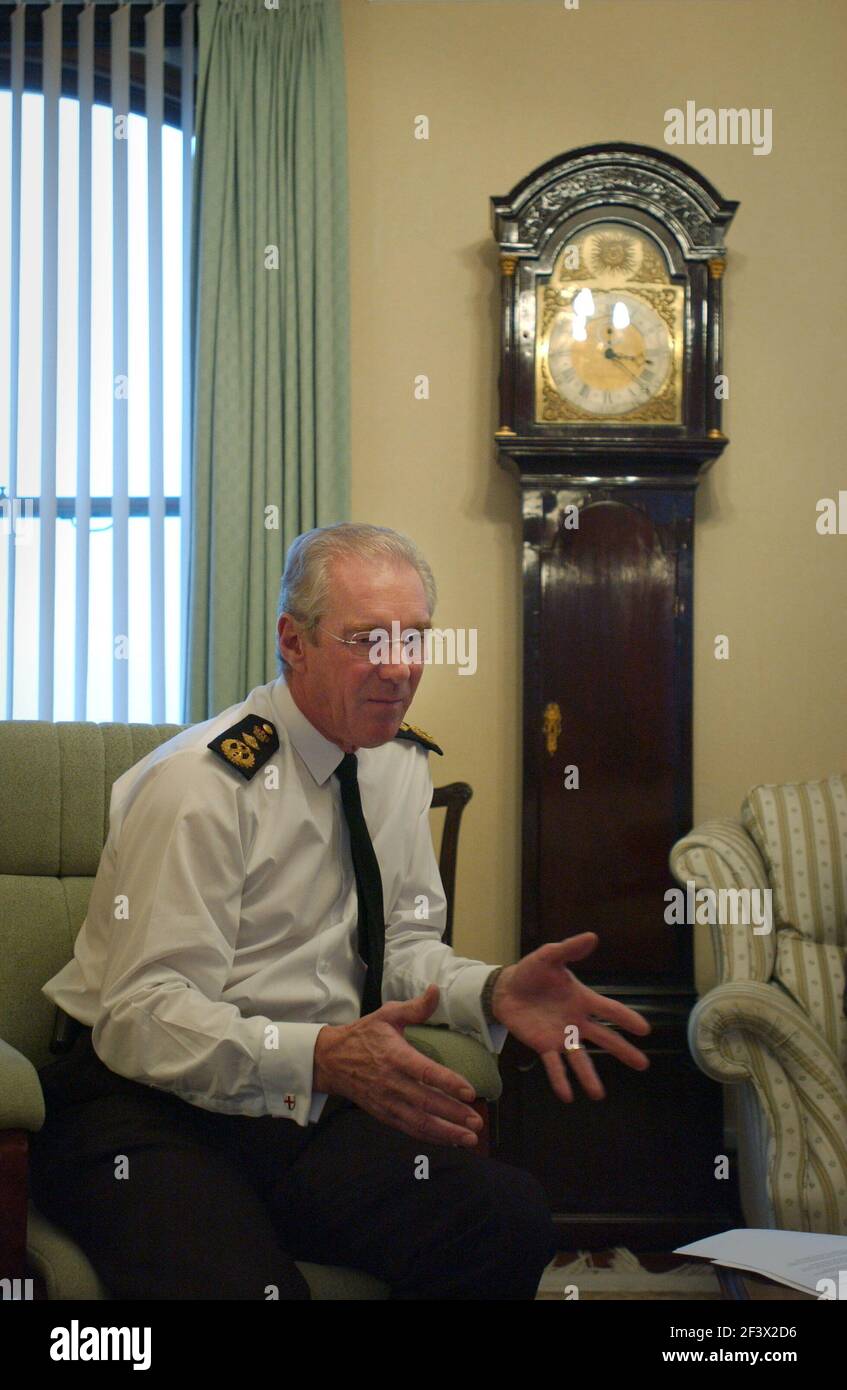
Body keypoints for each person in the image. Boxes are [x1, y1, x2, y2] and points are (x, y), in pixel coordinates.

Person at [29, 522, 651, 1300]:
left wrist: (486, 990)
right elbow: (141, 1018)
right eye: (366, 639)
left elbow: (402, 948)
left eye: (414, 638)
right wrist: (319, 1057)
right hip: (141, 1108)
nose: (398, 669)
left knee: (506, 1217)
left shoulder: (395, 764)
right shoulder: (202, 785)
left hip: (301, 1108)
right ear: (293, 640)